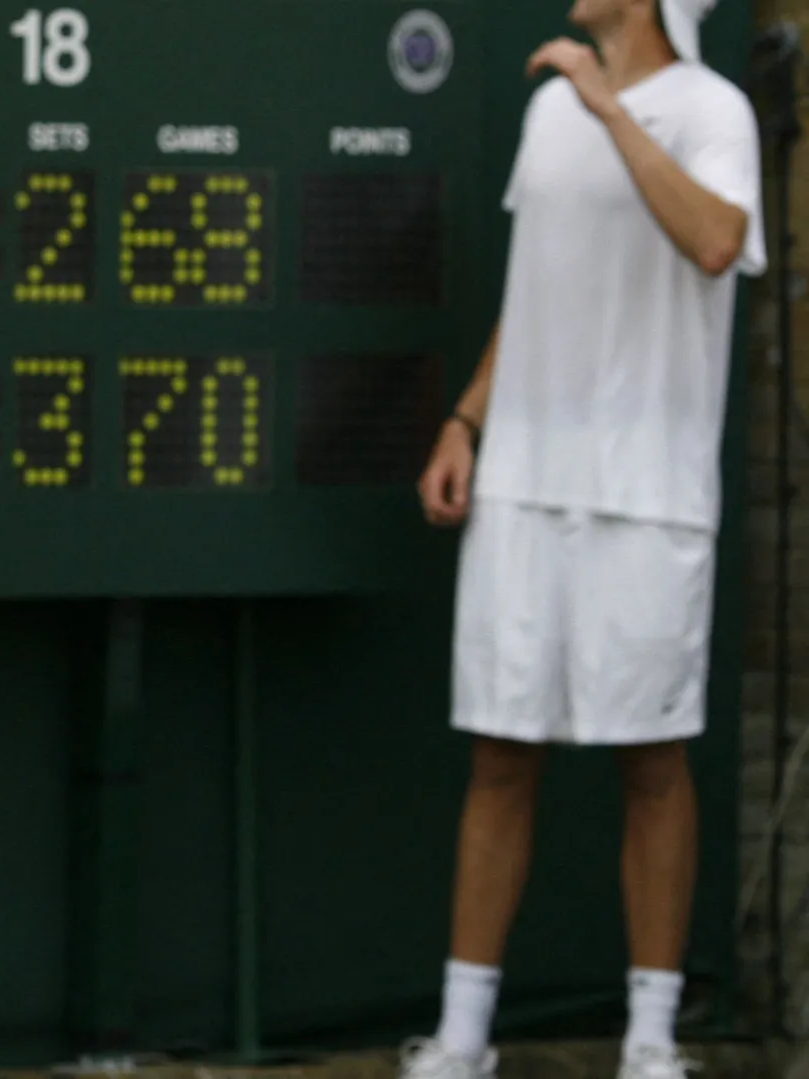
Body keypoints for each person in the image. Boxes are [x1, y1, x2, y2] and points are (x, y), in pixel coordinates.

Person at [403, 0, 765, 1076]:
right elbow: (537, 291)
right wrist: (468, 420)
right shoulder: (549, 112)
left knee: (652, 760)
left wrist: (612, 111)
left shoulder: (713, 110)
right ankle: (463, 1038)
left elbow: (717, 241)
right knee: (500, 754)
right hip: (525, 483)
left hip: (649, 492)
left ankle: (650, 1042)